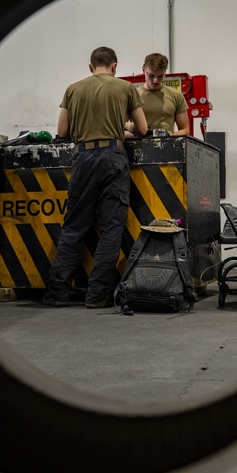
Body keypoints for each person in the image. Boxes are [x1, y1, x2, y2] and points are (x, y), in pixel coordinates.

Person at [43, 46, 147, 308]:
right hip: (113, 157)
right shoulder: (126, 88)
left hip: (83, 159)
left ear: (91, 67)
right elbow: (143, 129)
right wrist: (124, 126)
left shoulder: (73, 89)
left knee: (75, 226)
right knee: (111, 227)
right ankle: (98, 295)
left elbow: (62, 131)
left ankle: (58, 293)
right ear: (114, 66)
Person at [125, 52, 189, 137]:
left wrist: (168, 138)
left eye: (160, 76)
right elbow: (121, 128)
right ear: (144, 70)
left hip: (167, 146)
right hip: (138, 146)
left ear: (165, 73)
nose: (155, 80)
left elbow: (184, 130)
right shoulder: (132, 96)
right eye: (151, 75)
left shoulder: (176, 96)